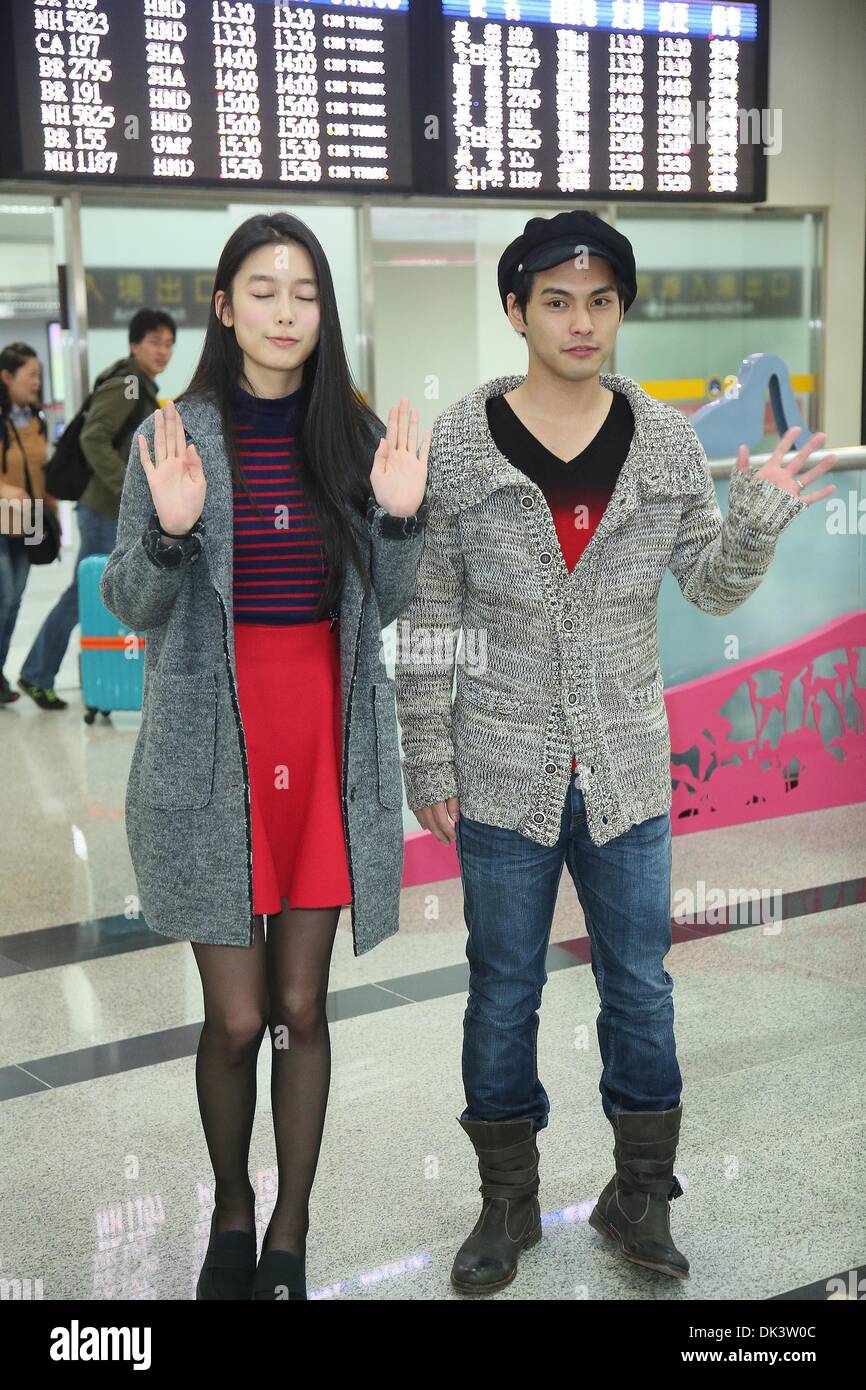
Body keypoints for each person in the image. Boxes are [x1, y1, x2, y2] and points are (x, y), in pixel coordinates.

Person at [393, 209, 838, 1293]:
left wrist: (757, 522)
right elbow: (431, 608)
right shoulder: (458, 440)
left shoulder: (666, 437)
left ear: (619, 310)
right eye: (555, 300)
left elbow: (708, 585)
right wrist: (427, 757)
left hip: (629, 766)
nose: (580, 321)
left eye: (599, 300)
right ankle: (505, 1202)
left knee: (639, 986)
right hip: (498, 767)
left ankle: (640, 1191)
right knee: (501, 986)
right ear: (516, 310)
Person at [99, 211, 430, 1301]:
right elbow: (131, 603)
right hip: (213, 748)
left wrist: (395, 519)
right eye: (263, 288)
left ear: (322, 313)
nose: (286, 310)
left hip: (322, 740)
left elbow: (391, 602)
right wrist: (173, 530)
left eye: (305, 292)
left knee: (300, 1008)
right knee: (235, 1019)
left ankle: (288, 1228)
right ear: (224, 304)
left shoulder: (353, 433)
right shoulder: (175, 433)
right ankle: (229, 1211)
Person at [17, 308, 176, 709]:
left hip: (107, 508)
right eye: (155, 341)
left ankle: (64, 675)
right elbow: (94, 437)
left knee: (90, 593)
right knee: (88, 594)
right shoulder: (128, 383)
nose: (163, 351)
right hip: (105, 509)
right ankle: (37, 673)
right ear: (135, 344)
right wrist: (130, 490)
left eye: (169, 343)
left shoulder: (139, 383)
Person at [0, 342, 60, 703]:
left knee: (15, 600)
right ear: (6, 377)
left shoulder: (36, 420)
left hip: (31, 519)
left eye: (39, 374)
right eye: (30, 374)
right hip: (2, 519)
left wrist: (51, 511)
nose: (37, 381)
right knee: (4, 596)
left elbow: (42, 471)